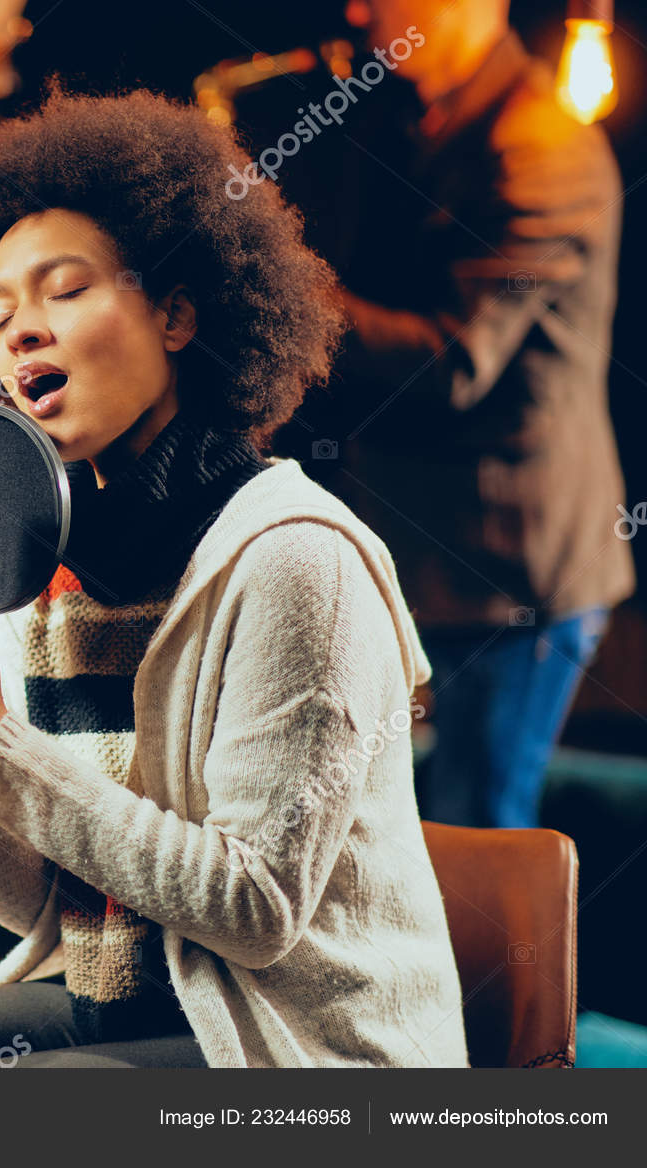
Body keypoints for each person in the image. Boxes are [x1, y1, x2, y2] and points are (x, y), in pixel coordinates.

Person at [0, 87, 468, 1068]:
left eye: (64, 290)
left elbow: (253, 910)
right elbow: (30, 900)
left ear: (178, 311)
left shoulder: (295, 556)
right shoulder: (38, 572)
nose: (19, 332)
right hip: (124, 1005)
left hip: (293, 1034)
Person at [294, 0, 633, 828]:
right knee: (417, 836)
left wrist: (287, 291)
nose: (359, 9)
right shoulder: (419, 118)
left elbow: (455, 363)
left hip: (513, 570)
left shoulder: (544, 149)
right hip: (428, 556)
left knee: (477, 838)